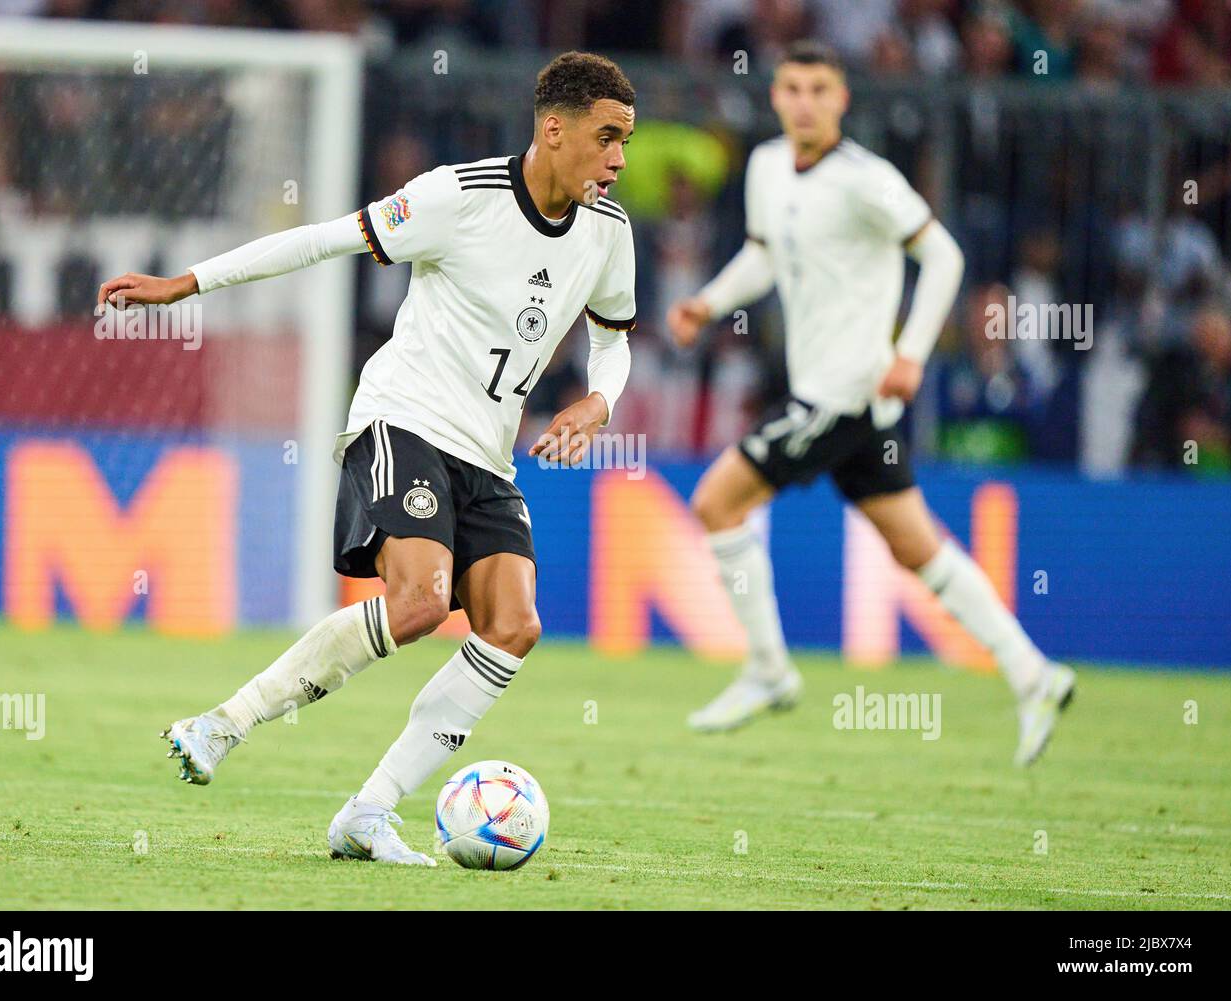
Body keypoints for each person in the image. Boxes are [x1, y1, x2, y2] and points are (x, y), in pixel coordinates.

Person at [97, 51, 637, 863]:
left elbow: (613, 335)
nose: (620, 159)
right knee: (422, 601)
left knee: (514, 624)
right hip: (403, 421)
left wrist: (600, 399)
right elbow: (322, 242)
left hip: (488, 458)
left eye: (626, 140)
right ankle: (222, 722)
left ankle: (368, 809)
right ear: (554, 129)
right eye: (607, 138)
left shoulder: (608, 230)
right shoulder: (457, 196)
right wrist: (188, 285)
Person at [667, 40, 1074, 766]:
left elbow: (944, 254)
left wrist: (913, 352)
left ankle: (767, 669)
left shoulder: (867, 179)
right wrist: (710, 300)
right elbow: (765, 251)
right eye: (791, 87)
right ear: (775, 96)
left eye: (819, 88)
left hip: (846, 394)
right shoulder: (765, 166)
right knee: (917, 544)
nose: (804, 102)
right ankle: (1033, 672)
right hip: (841, 401)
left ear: (843, 98)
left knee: (716, 502)